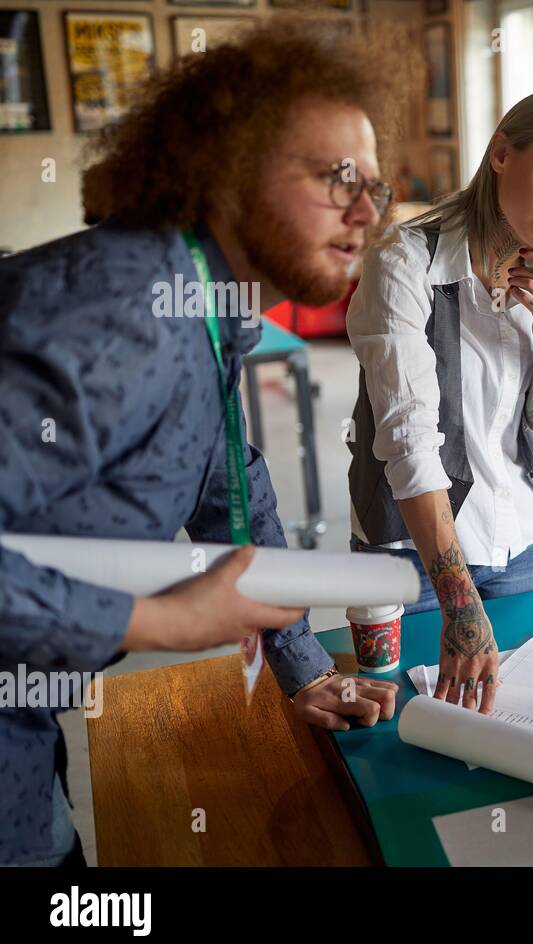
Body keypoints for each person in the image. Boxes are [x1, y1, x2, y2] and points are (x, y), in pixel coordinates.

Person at [0, 21, 402, 867]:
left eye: (373, 185)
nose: (367, 212)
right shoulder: (128, 313)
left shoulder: (209, 300)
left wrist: (304, 666)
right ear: (226, 170)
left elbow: (230, 479)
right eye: (335, 179)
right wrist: (166, 619)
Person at [346, 89, 533, 715]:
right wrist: (460, 604)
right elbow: (409, 445)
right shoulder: (403, 264)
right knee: (403, 732)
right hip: (415, 564)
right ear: (501, 153)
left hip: (522, 546)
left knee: (503, 729)